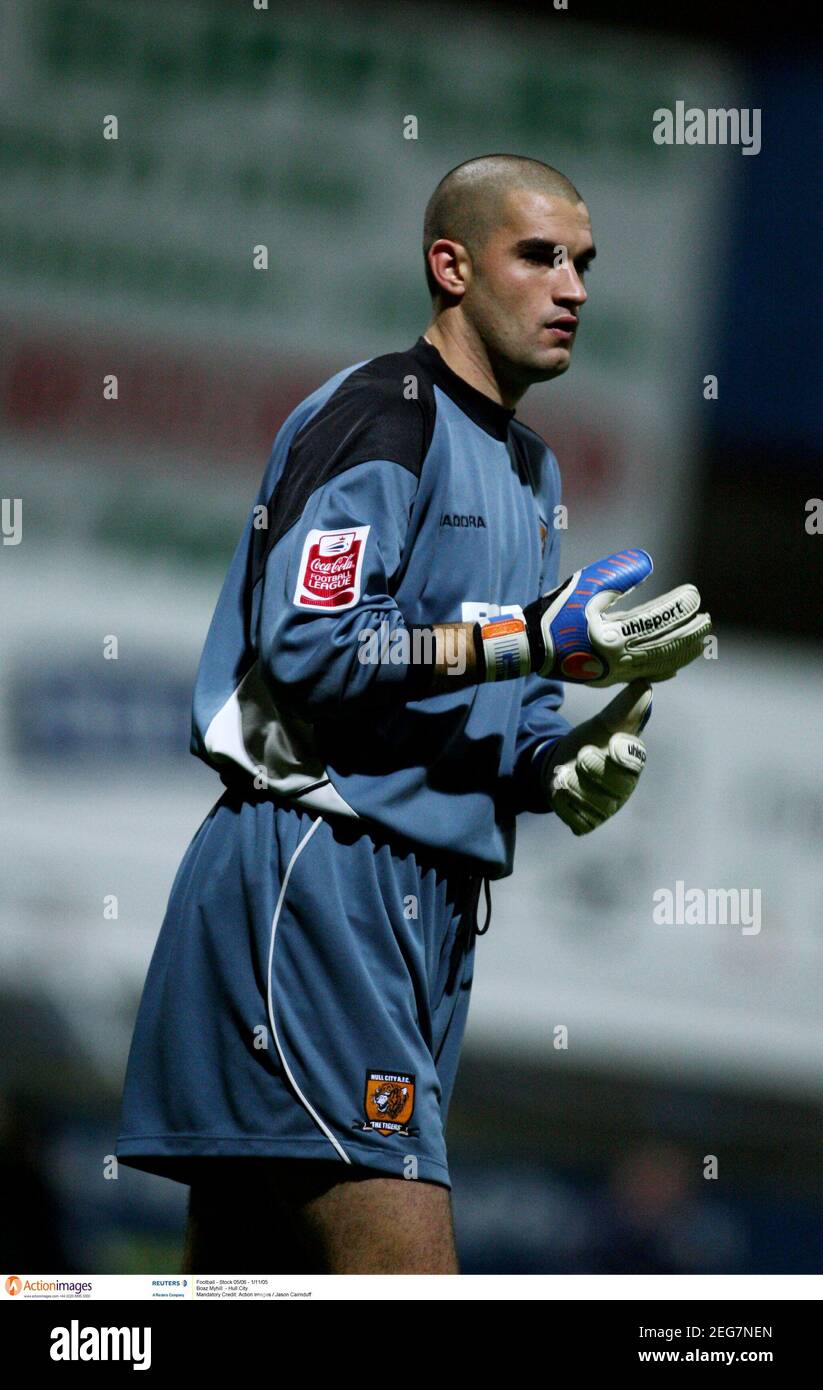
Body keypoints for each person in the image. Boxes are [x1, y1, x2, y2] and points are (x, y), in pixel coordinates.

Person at [115, 154, 710, 1274]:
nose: (573, 287)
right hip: (317, 879)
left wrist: (552, 768)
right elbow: (312, 643)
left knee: (249, 1281)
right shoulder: (383, 416)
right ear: (449, 263)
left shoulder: (531, 470)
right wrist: (531, 634)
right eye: (539, 256)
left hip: (421, 902)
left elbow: (500, 703)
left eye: (584, 262)